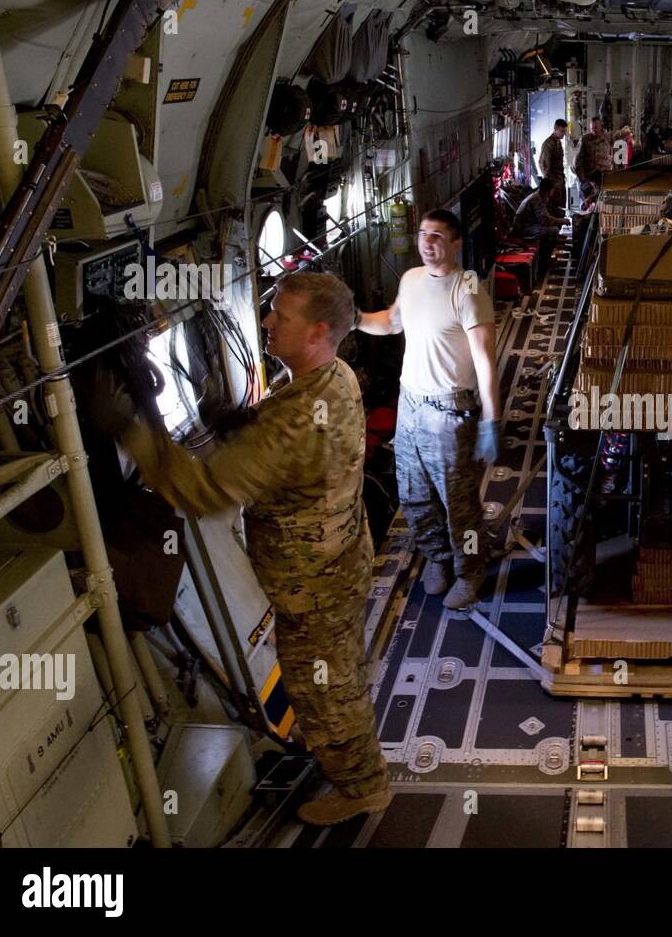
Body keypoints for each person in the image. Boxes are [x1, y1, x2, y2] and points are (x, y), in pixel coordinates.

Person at [109, 272, 390, 826]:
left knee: (326, 684)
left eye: (278, 317)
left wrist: (130, 431)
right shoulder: (338, 378)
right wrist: (242, 424)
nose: (265, 322)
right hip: (341, 562)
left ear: (314, 332)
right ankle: (338, 744)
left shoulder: (290, 422)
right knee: (338, 671)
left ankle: (363, 786)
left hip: (310, 585)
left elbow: (205, 492)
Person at [356, 210, 500, 610]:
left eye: (437, 236)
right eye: (423, 234)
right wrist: (354, 319)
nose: (427, 242)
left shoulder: (467, 289)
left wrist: (491, 420)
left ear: (456, 243)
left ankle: (470, 570)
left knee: (459, 502)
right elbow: (390, 322)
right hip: (411, 405)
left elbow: (485, 360)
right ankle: (437, 558)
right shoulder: (411, 280)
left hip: (449, 412)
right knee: (415, 494)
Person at [512, 178, 566, 270]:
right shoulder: (536, 199)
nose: (553, 192)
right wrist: (561, 221)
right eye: (552, 189)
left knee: (552, 230)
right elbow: (545, 220)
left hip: (529, 226)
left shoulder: (540, 197)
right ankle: (545, 262)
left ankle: (546, 259)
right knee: (553, 231)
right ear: (548, 190)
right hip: (523, 229)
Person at [538, 118, 568, 213]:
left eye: (564, 131)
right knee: (553, 210)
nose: (564, 134)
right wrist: (552, 186)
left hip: (559, 181)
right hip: (553, 184)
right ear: (555, 128)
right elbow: (544, 165)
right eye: (562, 131)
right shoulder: (548, 144)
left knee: (560, 210)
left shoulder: (558, 143)